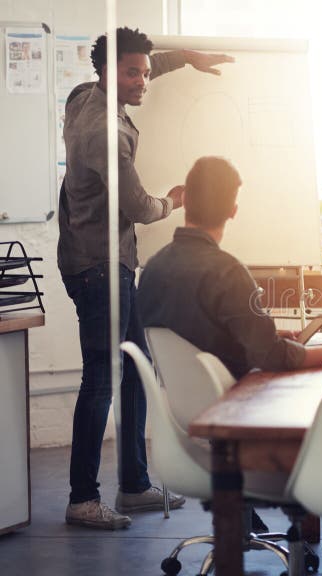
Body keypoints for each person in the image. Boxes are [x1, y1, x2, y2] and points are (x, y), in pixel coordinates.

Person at [137, 156, 322, 567]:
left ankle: (258, 516)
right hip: (242, 416)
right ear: (233, 209)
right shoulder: (226, 271)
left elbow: (198, 337)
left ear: (185, 201)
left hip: (191, 415)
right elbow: (270, 356)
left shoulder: (153, 269)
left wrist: (263, 338)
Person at [58, 27, 233, 530]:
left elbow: (138, 65)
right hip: (98, 266)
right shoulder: (104, 133)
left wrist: (185, 57)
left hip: (101, 259)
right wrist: (174, 201)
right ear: (107, 71)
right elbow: (137, 206)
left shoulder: (82, 95)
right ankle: (82, 499)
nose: (142, 81)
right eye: (132, 73)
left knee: (137, 366)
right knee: (101, 379)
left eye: (145, 72)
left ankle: (133, 485)